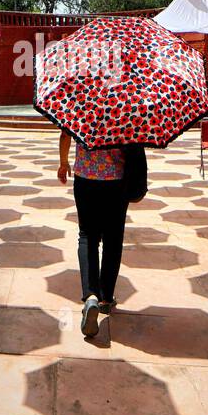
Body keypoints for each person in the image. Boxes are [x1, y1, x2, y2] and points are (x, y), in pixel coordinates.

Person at [57, 130, 130, 338]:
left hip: (85, 177)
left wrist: (64, 162)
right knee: (113, 239)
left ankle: (90, 296)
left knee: (87, 236)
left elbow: (65, 134)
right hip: (116, 179)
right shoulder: (126, 104)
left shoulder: (82, 102)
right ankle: (106, 299)